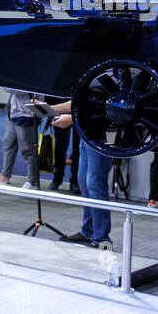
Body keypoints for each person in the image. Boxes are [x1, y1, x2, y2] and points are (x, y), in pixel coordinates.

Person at [53, 101, 112, 247]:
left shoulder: (101, 80)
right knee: (85, 183)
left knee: (95, 184)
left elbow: (99, 104)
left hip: (101, 135)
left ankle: (101, 238)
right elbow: (81, 101)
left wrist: (68, 116)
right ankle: (88, 231)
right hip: (87, 134)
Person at [0, 90, 40, 188]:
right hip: (13, 113)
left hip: (26, 115)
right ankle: (4, 176)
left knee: (28, 150)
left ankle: (32, 181)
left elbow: (15, 88)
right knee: (8, 145)